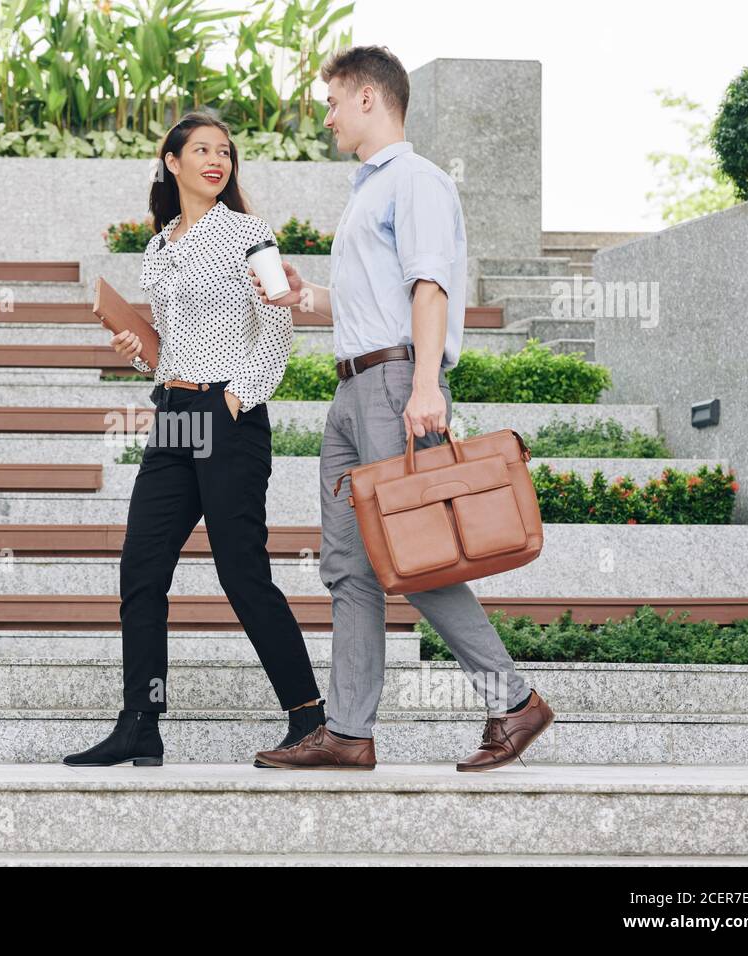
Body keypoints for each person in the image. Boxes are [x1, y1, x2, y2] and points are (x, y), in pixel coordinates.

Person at [251, 45, 556, 772]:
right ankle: (349, 731)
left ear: (367, 98)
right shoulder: (367, 191)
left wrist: (425, 385)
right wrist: (306, 299)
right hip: (353, 390)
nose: (326, 117)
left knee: (416, 559)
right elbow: (366, 302)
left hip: (394, 386)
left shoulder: (416, 182)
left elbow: (430, 289)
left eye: (331, 102)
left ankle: (512, 702)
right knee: (349, 568)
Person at [63, 112, 326, 768]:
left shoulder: (250, 234)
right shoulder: (158, 248)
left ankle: (310, 718)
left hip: (227, 417)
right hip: (172, 416)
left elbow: (280, 329)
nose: (216, 159)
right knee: (142, 569)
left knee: (242, 573)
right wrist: (135, 350)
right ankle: (140, 722)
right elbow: (167, 353)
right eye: (201, 149)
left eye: (225, 151)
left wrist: (236, 397)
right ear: (172, 161)